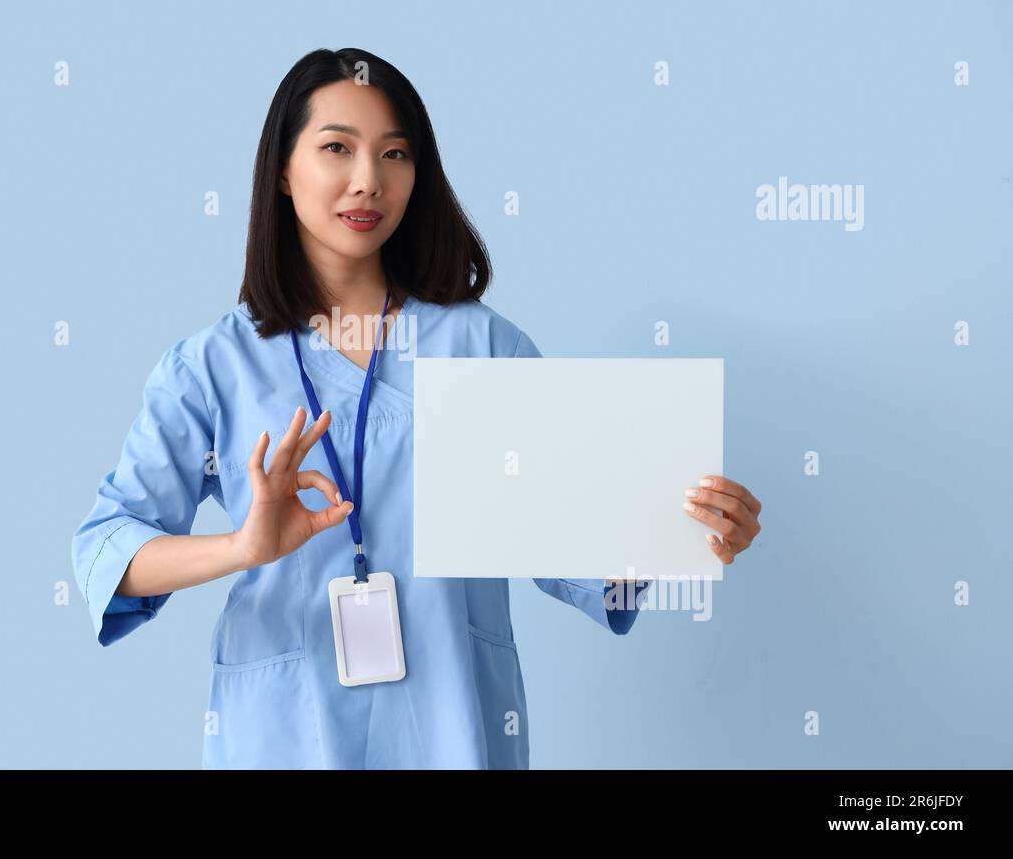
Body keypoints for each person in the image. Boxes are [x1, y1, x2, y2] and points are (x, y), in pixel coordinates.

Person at [71, 47, 764, 769]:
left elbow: (575, 551)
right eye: (337, 148)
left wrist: (685, 532)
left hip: (452, 722)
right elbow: (107, 548)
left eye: (394, 153)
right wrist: (242, 548)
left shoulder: (482, 345)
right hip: (282, 731)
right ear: (282, 168)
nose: (368, 180)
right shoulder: (213, 365)